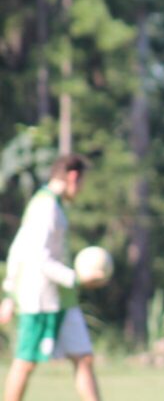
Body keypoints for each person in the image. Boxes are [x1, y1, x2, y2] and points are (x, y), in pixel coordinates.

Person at [0, 153, 106, 401]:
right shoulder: (45, 208)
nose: (80, 190)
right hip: (40, 298)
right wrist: (76, 278)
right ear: (73, 177)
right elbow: (38, 258)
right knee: (25, 363)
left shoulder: (54, 205)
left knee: (84, 357)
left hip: (63, 299)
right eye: (82, 183)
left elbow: (18, 248)